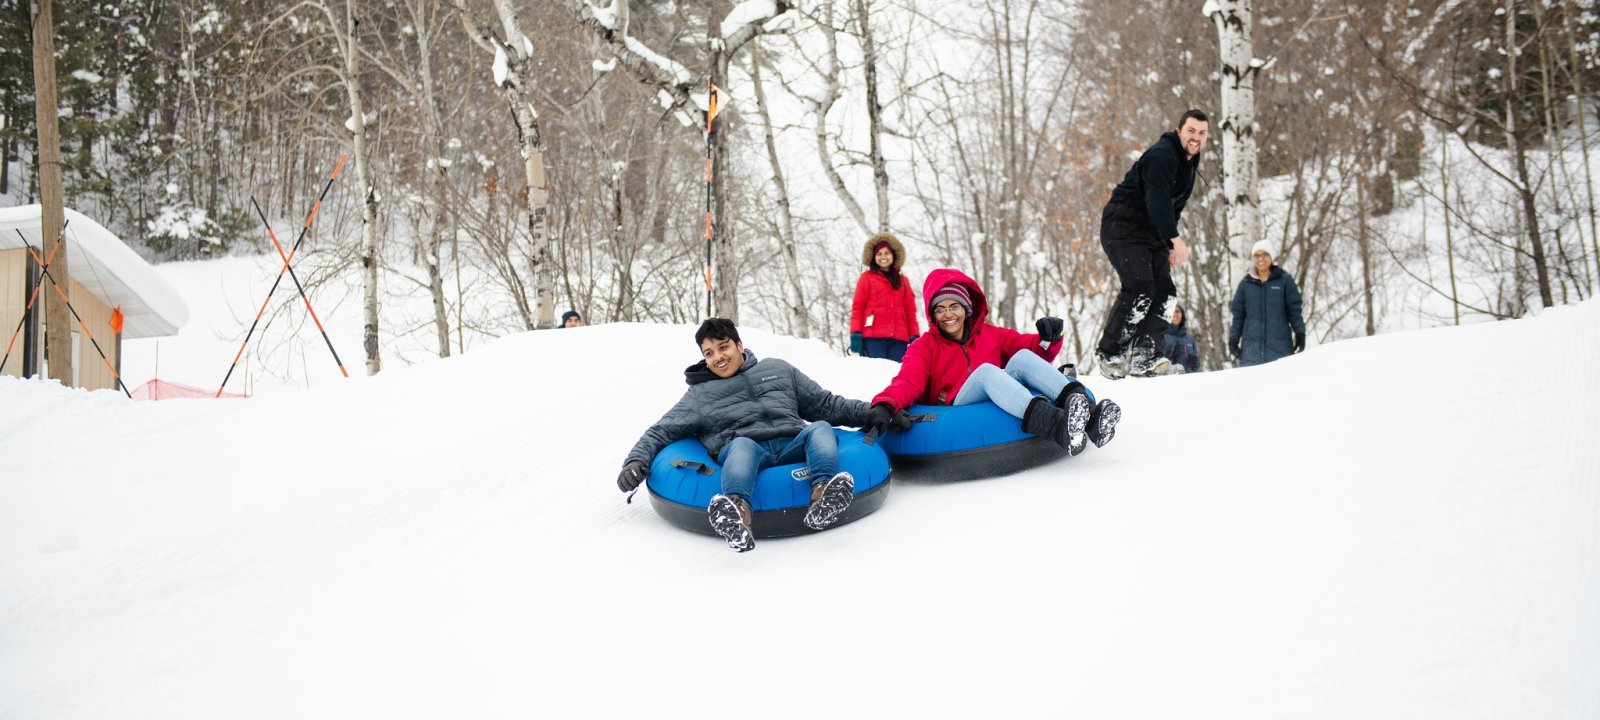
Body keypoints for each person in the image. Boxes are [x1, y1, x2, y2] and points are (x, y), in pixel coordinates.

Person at [615, 318, 908, 553]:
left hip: (792, 444)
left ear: (739, 344)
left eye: (723, 347)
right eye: (709, 353)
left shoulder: (778, 370)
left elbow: (825, 404)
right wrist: (635, 462)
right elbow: (660, 431)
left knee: (819, 428)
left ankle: (823, 495)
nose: (718, 357)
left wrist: (874, 411)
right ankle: (737, 513)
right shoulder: (699, 396)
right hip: (746, 453)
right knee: (742, 443)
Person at [870, 269, 1121, 456]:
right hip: (956, 405)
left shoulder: (989, 334)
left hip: (994, 394)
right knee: (987, 371)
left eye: (954, 306)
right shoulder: (924, 347)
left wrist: (1048, 338)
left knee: (1020, 358)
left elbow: (1034, 351)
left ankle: (1088, 416)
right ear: (932, 314)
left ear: (966, 308)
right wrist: (885, 405)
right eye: (940, 309)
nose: (948, 315)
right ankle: (1057, 427)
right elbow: (907, 381)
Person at [1094, 109, 1210, 379]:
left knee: (1165, 293)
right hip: (1123, 225)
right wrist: (1176, 239)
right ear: (1179, 131)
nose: (1196, 137)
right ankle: (1109, 353)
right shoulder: (1163, 155)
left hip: (1151, 231)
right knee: (1140, 288)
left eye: (1202, 133)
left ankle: (1146, 356)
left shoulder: (1189, 163)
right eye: (1191, 131)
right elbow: (1157, 200)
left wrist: (1168, 245)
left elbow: (1173, 207)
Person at [1229, 240, 1307, 367]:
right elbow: (1238, 316)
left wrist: (1300, 334)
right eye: (1257, 255)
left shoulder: (1284, 281)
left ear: (1271, 257)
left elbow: (1294, 312)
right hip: (1251, 355)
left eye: (1265, 254)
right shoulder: (1245, 284)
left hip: (1280, 352)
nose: (1261, 259)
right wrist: (1233, 340)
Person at [849, 232, 920, 362]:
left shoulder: (903, 281)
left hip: (899, 340)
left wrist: (914, 335)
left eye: (886, 253)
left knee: (895, 376)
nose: (883, 257)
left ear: (893, 255)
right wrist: (855, 333)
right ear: (873, 256)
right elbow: (857, 308)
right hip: (873, 339)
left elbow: (910, 312)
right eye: (879, 254)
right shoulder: (866, 278)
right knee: (876, 375)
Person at [1162, 304, 1201, 374]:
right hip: (1168, 381)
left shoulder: (1190, 340)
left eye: (1177, 311)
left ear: (1182, 315)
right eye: (1171, 311)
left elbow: (1196, 369)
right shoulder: (1161, 337)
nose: (1174, 314)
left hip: (1189, 380)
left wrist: (1195, 363)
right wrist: (1169, 356)